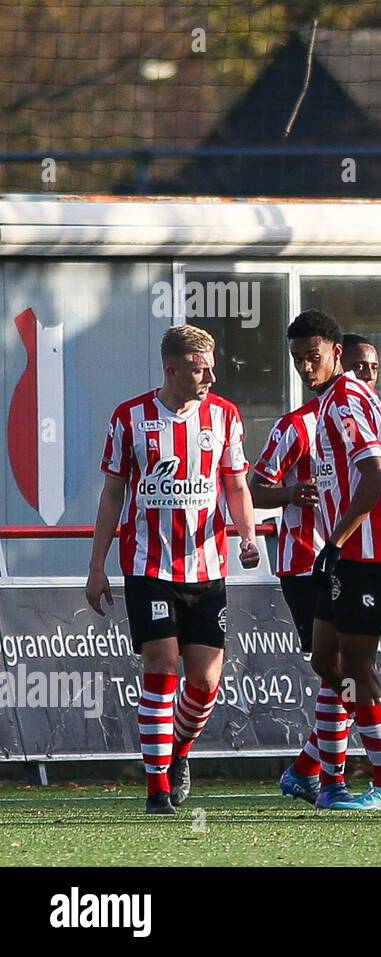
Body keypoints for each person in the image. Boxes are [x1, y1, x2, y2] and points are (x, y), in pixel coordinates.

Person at [251, 312, 381, 809]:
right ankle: (341, 764)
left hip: (363, 552)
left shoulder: (341, 404)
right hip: (347, 552)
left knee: (357, 666)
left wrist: (335, 542)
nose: (304, 367)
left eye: (313, 357)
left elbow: (378, 475)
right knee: (326, 660)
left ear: (336, 352)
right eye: (297, 359)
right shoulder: (352, 400)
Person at [86, 325, 260, 814]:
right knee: (162, 668)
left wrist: (247, 537)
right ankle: (156, 787)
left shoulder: (224, 416)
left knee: (204, 683)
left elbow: (237, 487)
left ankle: (179, 752)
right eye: (200, 367)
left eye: (212, 366)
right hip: (148, 566)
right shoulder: (130, 418)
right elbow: (113, 495)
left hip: (206, 569)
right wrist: (96, 567)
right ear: (172, 368)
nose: (210, 375)